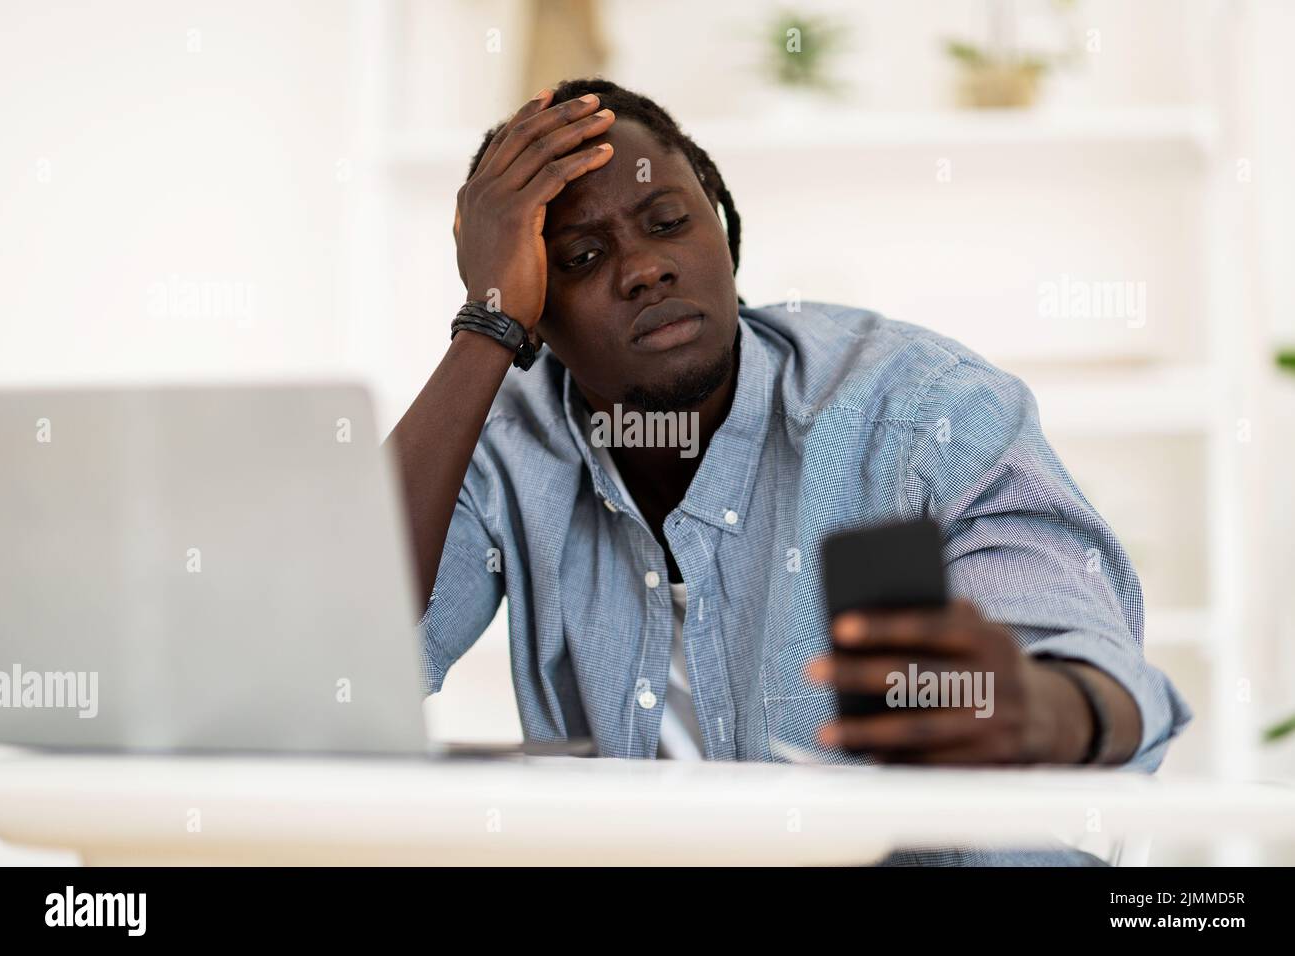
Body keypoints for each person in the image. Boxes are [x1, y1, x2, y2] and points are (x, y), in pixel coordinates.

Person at [387, 78, 1192, 866]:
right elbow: (345, 661)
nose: (644, 270)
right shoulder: (505, 443)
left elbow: (1085, 654)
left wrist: (1042, 710)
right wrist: (486, 325)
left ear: (723, 225)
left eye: (667, 221)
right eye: (582, 257)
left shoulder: (916, 410)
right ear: (538, 312)